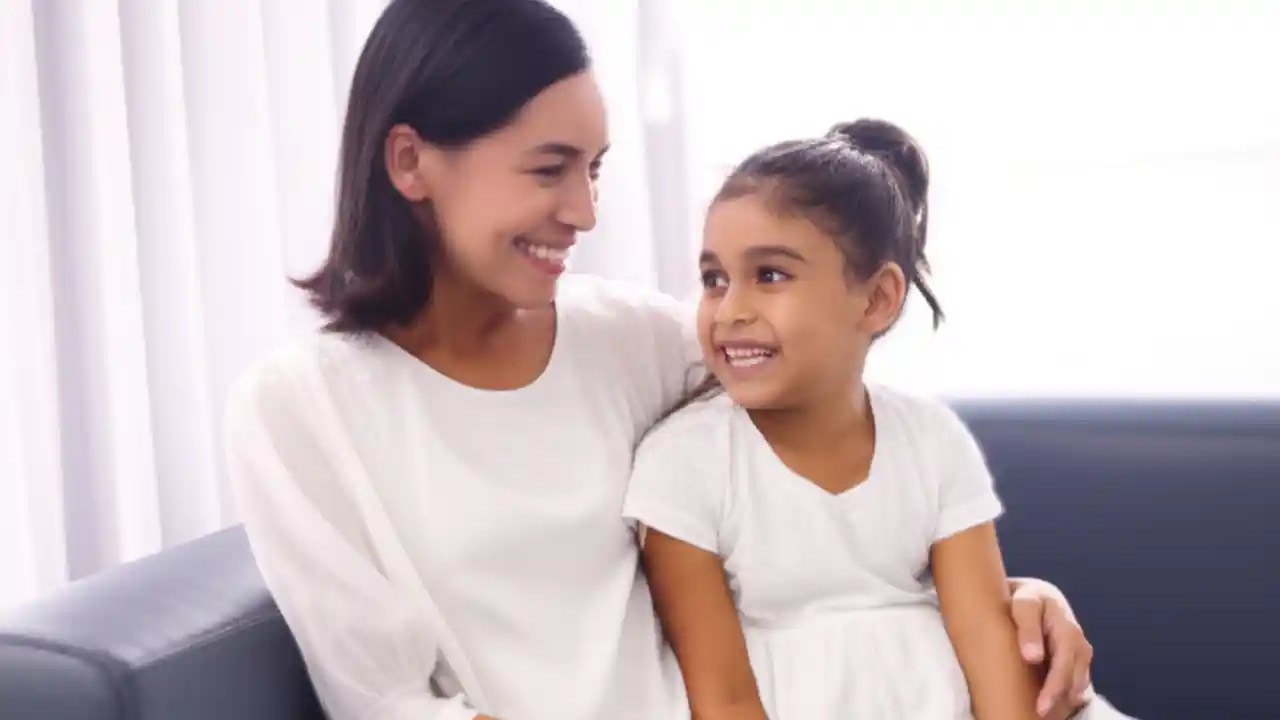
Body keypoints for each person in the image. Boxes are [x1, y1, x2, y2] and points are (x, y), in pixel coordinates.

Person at [224, 2, 1108, 719]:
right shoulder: (302, 407)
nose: (584, 211)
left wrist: (1013, 600)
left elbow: (839, 443)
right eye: (549, 169)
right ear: (412, 161)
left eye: (596, 170)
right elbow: (380, 700)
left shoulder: (637, 342)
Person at [625, 119, 1092, 719]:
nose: (730, 309)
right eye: (715, 279)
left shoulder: (931, 439)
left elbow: (987, 644)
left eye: (770, 275)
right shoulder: (682, 463)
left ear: (876, 299)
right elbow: (722, 698)